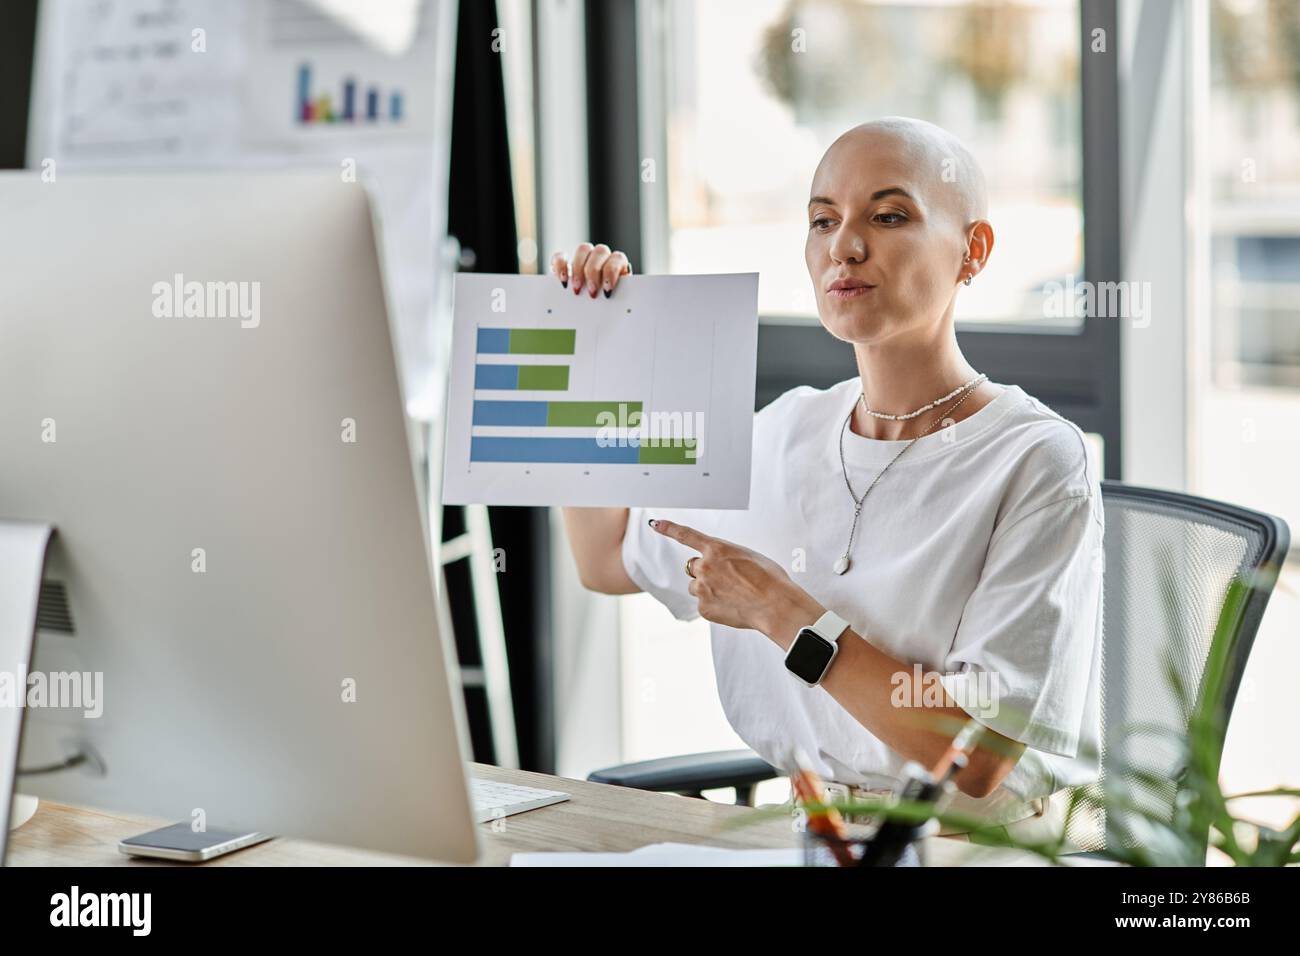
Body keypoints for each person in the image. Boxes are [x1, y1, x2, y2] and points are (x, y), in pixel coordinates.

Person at [557, 117, 1104, 846]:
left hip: (974, 850)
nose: (845, 245)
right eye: (823, 220)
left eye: (888, 215)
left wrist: (784, 612)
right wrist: (585, 360)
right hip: (808, 837)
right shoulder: (782, 433)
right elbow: (604, 556)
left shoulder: (1034, 460)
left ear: (972, 251)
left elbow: (973, 755)